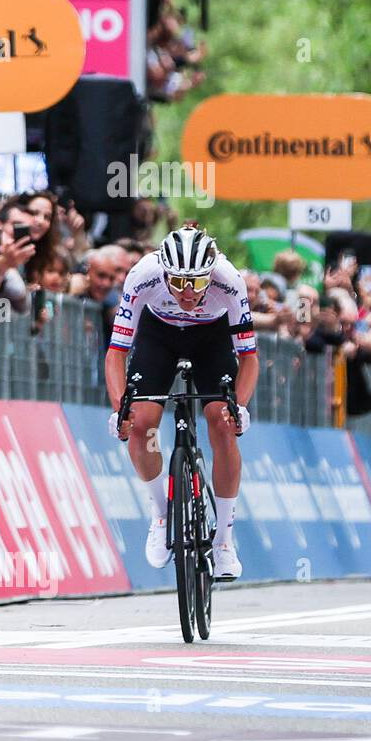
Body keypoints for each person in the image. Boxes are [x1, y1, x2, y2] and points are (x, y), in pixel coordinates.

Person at [104, 225, 256, 580]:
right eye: (178, 283)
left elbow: (248, 357)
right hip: (160, 337)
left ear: (211, 274)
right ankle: (160, 514)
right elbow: (116, 352)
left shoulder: (229, 280)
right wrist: (119, 408)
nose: (188, 294)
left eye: (198, 283)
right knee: (141, 426)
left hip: (211, 339)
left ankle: (223, 541)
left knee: (222, 422)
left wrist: (240, 406)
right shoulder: (143, 275)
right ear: (163, 272)